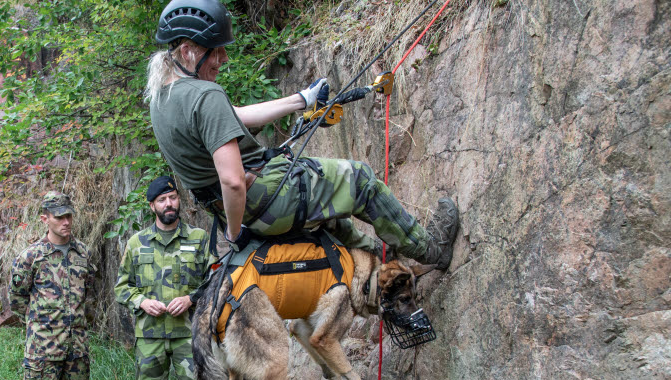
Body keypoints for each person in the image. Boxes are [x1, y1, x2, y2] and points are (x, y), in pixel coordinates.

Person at [146, 0, 459, 267]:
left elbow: (234, 117)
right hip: (264, 202)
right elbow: (232, 180)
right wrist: (233, 233)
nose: (223, 59)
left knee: (330, 212)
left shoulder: (162, 99)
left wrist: (301, 99)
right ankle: (430, 250)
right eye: (216, 52)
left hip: (246, 211)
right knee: (360, 180)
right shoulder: (204, 94)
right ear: (187, 50)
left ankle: (380, 259)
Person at [114, 176, 214, 380]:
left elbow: (216, 281)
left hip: (190, 336)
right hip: (150, 338)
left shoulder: (199, 238)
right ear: (152, 206)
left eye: (172, 197)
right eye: (161, 200)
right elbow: (122, 288)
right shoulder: (136, 243)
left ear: (178, 200)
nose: (168, 204)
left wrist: (191, 298)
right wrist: (142, 301)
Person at [9, 191, 95, 380]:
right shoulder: (31, 256)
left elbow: (88, 295)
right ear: (45, 218)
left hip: (77, 348)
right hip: (43, 349)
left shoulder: (82, 253)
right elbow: (17, 300)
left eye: (69, 215)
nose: (66, 222)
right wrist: (42, 326)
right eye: (59, 217)